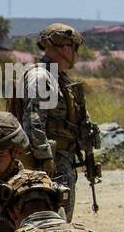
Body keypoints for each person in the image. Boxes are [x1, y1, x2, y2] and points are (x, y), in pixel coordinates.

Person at [14, 23, 95, 219]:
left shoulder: (58, 77)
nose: (77, 54)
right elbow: (33, 120)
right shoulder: (41, 76)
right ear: (66, 48)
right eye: (76, 48)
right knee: (53, 223)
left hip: (60, 159)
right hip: (50, 164)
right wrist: (45, 159)